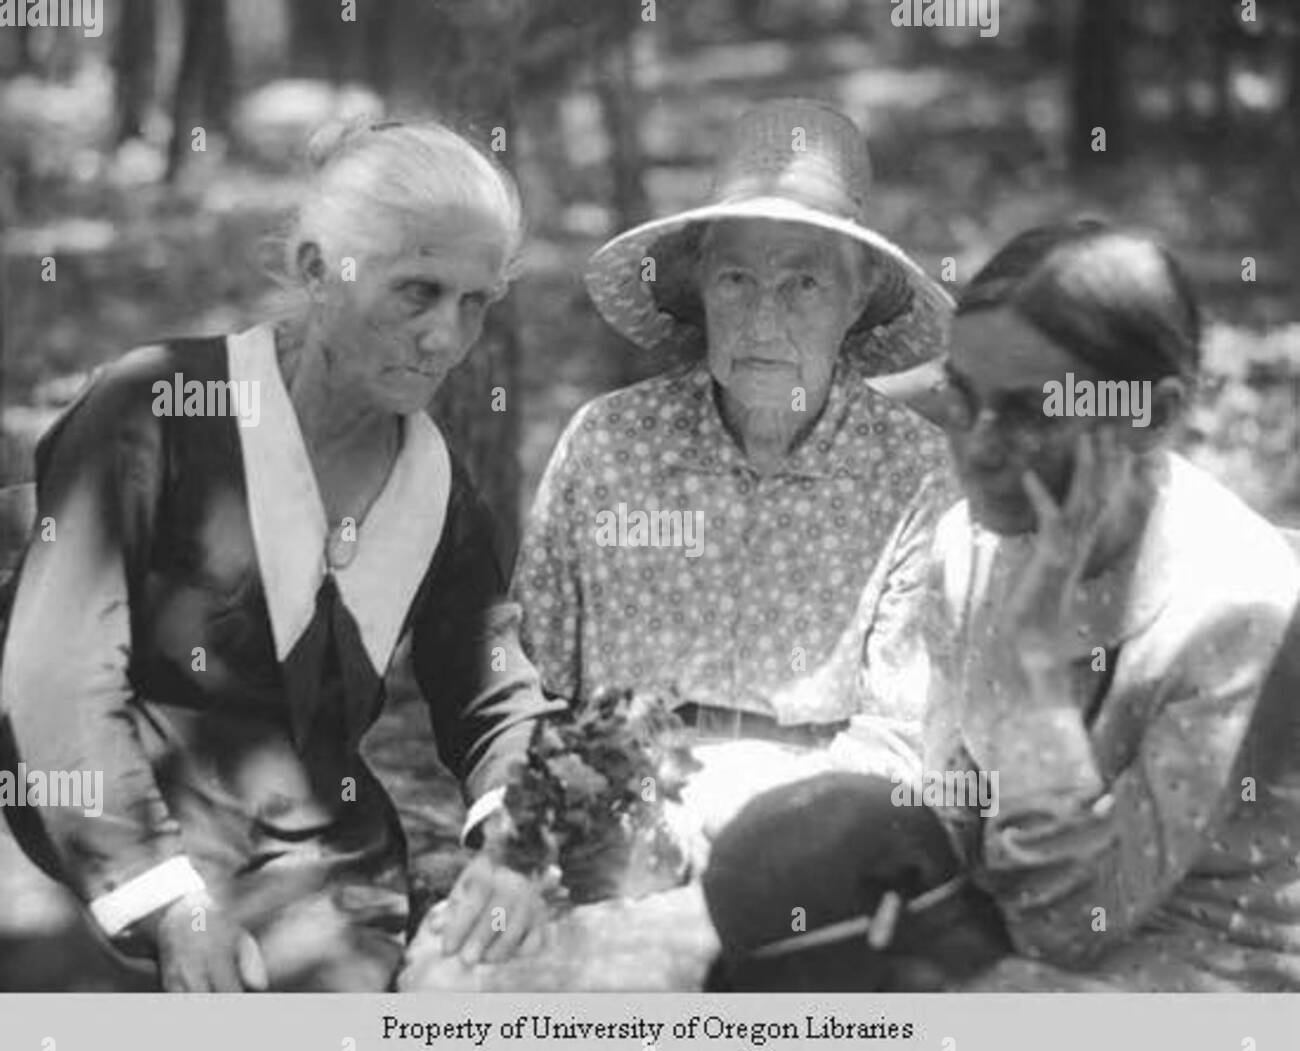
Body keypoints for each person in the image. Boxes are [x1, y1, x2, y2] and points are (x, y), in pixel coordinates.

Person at [0, 120, 559, 991]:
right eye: (417, 290)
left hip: (311, 871)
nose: (446, 338)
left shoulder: (435, 488)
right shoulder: (154, 409)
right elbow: (54, 676)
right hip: (86, 847)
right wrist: (167, 901)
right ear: (315, 271)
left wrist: (517, 841)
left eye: (474, 301)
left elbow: (495, 697)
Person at [510, 98, 958, 832]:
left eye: (804, 284)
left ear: (859, 297)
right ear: (700, 287)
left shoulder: (911, 470)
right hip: (618, 820)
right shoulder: (610, 444)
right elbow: (536, 682)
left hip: (820, 837)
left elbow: (904, 741)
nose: (762, 317)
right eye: (735, 280)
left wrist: (745, 817)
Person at [924, 221, 1300, 991]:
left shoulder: (1234, 605)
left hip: (1212, 976)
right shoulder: (969, 546)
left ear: (1153, 414)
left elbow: (1070, 926)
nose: (981, 447)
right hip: (1020, 938)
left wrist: (1034, 658)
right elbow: (951, 802)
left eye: (1031, 412)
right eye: (964, 399)